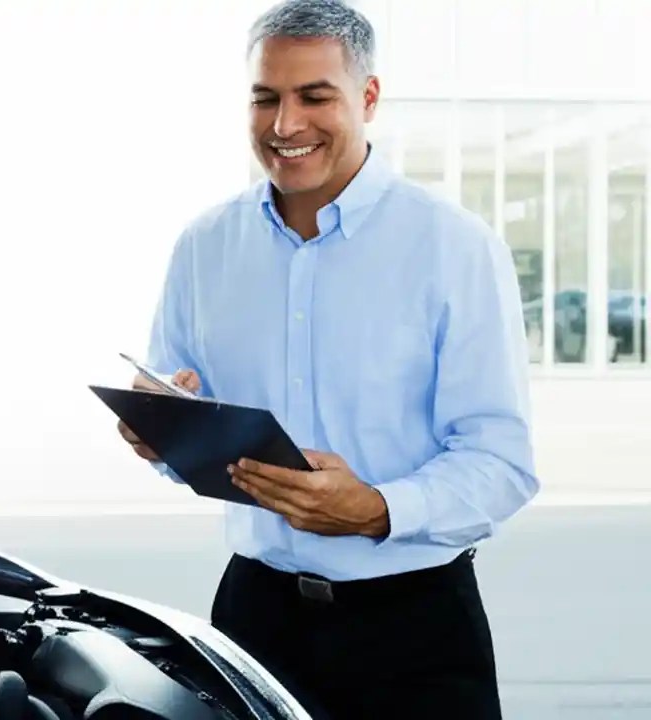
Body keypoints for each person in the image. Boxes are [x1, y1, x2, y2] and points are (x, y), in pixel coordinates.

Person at [117, 1, 538, 718]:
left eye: (315, 96)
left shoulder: (454, 247)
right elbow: (183, 419)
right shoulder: (205, 245)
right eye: (265, 98)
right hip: (255, 619)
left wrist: (375, 509)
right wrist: (161, 429)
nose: (285, 125)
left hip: (414, 629)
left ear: (367, 98)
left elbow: (501, 463)